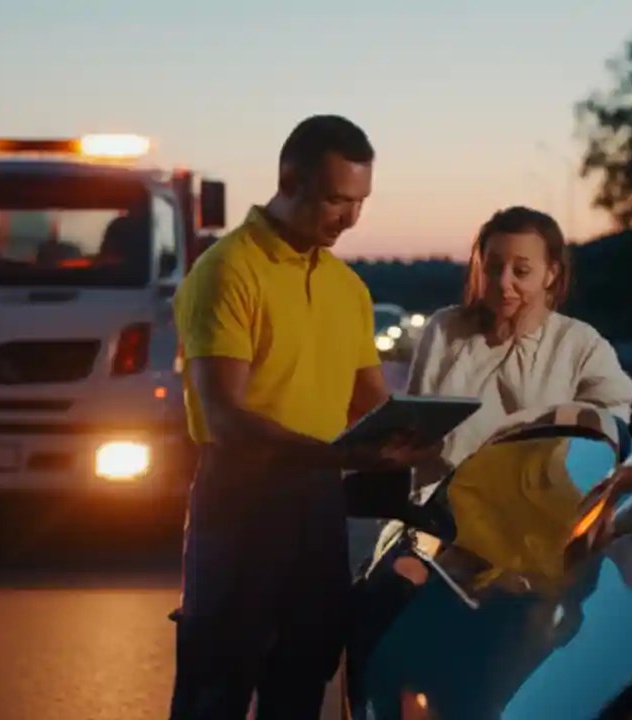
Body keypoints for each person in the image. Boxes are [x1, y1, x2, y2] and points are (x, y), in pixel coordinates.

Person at [168, 114, 437, 719]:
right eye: (337, 200)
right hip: (238, 500)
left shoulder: (348, 288)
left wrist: (424, 433)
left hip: (318, 500)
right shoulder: (227, 271)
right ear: (289, 179)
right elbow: (227, 418)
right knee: (218, 683)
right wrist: (343, 456)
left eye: (361, 201)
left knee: (303, 676)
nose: (350, 218)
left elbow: (369, 400)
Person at [404, 205, 632, 503]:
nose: (503, 283)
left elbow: (622, 422)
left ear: (550, 274)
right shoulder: (445, 330)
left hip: (537, 518)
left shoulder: (578, 343)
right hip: (443, 518)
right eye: (493, 267)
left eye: (521, 271)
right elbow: (415, 426)